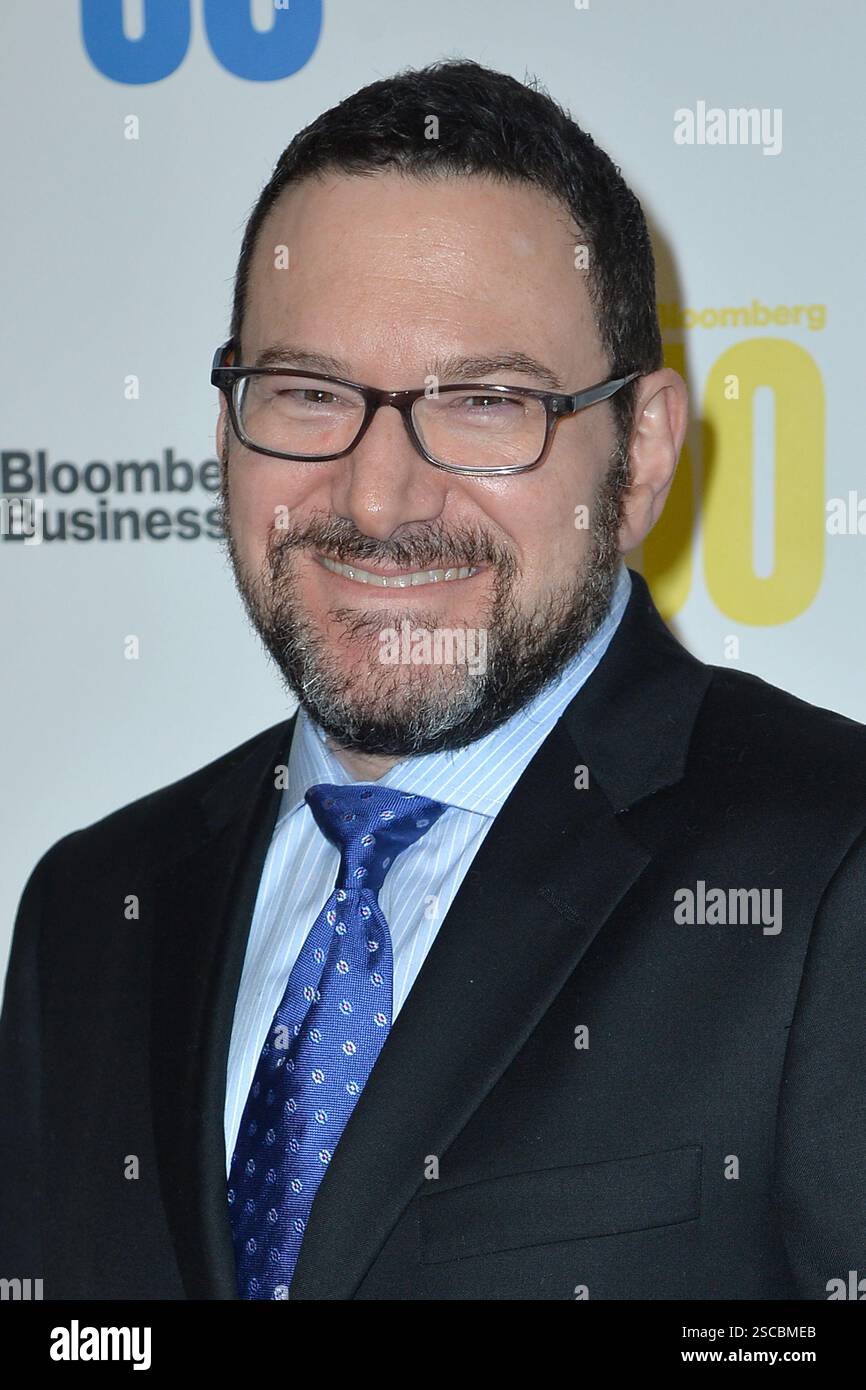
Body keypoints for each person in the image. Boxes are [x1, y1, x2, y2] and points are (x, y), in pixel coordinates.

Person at [2, 58, 865, 1302]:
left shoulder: (827, 871)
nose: (373, 495)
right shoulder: (90, 908)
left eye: (483, 402)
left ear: (638, 459)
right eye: (305, 392)